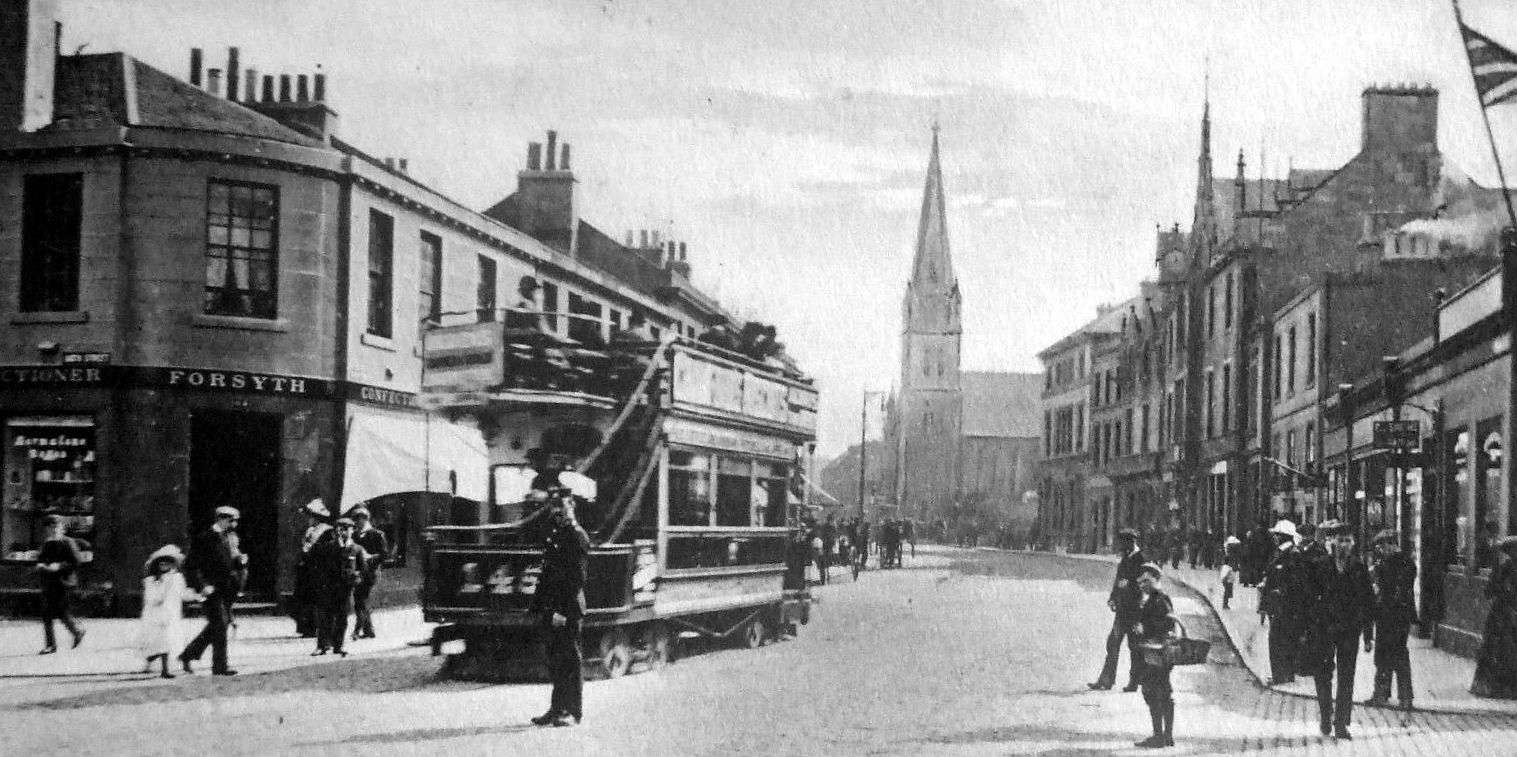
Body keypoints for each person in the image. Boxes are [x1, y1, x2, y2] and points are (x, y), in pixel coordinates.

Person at [1301, 521, 1374, 740]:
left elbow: (1367, 602)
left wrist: (1368, 635)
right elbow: (1308, 599)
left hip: (1349, 630)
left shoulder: (1358, 569)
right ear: (1330, 542)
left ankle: (1341, 723)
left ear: (1352, 544)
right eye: (1339, 540)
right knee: (1323, 674)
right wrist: (1307, 628)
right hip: (1324, 628)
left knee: (1347, 676)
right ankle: (1325, 715)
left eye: (1347, 541)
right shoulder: (1319, 566)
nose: (1344, 545)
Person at [530, 489, 592, 727]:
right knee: (557, 661)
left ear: (572, 506)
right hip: (554, 608)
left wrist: (562, 612)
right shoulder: (558, 534)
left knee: (570, 661)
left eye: (563, 506)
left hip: (568, 609)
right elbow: (550, 574)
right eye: (555, 506)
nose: (558, 510)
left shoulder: (577, 536)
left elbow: (576, 579)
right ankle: (556, 709)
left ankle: (573, 712)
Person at [180, 506, 243, 676]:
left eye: (235, 521)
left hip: (227, 589)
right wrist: (202, 586)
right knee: (221, 624)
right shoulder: (205, 538)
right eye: (231, 521)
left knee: (218, 625)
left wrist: (240, 561)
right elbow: (190, 566)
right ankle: (220, 667)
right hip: (211, 589)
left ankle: (189, 654)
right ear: (220, 519)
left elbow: (230, 560)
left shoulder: (230, 537)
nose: (234, 524)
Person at [1090, 528, 1146, 692]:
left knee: (1135, 648)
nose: (1121, 547)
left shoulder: (1141, 559)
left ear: (1132, 542)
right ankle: (1106, 681)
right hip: (1122, 611)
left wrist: (1130, 585)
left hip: (1135, 611)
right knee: (1112, 644)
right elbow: (1118, 580)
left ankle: (1134, 682)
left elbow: (1145, 584)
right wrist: (1113, 597)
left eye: (1124, 543)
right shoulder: (1126, 559)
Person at [1366, 529, 1415, 710]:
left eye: (1384, 546)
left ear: (1392, 544)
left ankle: (1405, 696)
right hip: (1385, 615)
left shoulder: (1404, 563)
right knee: (1382, 654)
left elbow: (1399, 589)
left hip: (1397, 615)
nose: (1381, 549)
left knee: (1399, 654)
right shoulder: (1385, 563)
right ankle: (1381, 693)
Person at [1131, 563, 1177, 748]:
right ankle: (1167, 736)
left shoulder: (1159, 600)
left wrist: (1145, 628)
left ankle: (1159, 736)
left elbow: (1168, 624)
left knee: (1151, 691)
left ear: (1154, 580)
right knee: (1164, 691)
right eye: (1140, 582)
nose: (1142, 585)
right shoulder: (1155, 599)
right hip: (1158, 652)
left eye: (1146, 581)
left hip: (1157, 653)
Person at [310, 517, 368, 657]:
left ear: (352, 530)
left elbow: (363, 568)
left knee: (342, 618)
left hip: (345, 589)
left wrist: (356, 577)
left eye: (345, 529)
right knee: (326, 618)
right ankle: (322, 646)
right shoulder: (328, 547)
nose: (341, 532)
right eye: (339, 529)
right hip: (329, 587)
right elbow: (317, 563)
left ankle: (338, 645)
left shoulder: (356, 549)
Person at [1471, 536, 1517, 699]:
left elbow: (1489, 591)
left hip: (1502, 613)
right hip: (1508, 612)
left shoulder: (1504, 565)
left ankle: (1496, 687)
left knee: (1497, 650)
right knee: (1507, 651)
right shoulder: (1507, 566)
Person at [139, 545, 192, 678]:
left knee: (175, 641)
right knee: (162, 642)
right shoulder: (151, 580)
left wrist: (198, 595)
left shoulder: (177, 578)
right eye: (161, 563)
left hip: (173, 614)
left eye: (167, 562)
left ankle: (181, 663)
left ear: (172, 564)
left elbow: (183, 594)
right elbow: (150, 598)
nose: (164, 565)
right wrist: (161, 593)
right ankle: (164, 669)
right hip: (156, 615)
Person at [35, 515, 85, 654]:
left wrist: (59, 566)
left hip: (64, 582)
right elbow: (41, 559)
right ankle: (51, 645)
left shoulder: (68, 542)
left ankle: (77, 631)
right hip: (50, 583)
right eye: (50, 528)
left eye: (56, 527)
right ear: (47, 530)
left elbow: (76, 561)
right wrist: (41, 565)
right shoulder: (47, 544)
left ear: (61, 528)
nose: (53, 530)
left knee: (61, 611)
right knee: (47, 614)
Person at [1259, 519, 1302, 684]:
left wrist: (1280, 592)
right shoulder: (1280, 552)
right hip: (1277, 604)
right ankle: (1283, 674)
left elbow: (1294, 581)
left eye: (1277, 535)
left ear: (1284, 536)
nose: (1274, 538)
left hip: (1284, 605)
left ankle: (1281, 675)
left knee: (1278, 640)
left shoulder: (1292, 554)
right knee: (1281, 639)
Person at [294, 500, 332, 637]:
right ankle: (306, 628)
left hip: (318, 569)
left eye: (311, 516)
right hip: (307, 569)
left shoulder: (327, 531)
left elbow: (325, 551)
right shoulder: (310, 530)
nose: (309, 519)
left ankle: (315, 627)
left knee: (316, 599)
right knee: (305, 598)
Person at [349, 508, 389, 640]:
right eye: (356, 519)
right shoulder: (354, 535)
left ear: (366, 519)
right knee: (360, 599)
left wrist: (371, 557)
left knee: (361, 598)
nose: (358, 522)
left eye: (361, 519)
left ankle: (357, 630)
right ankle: (369, 630)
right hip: (358, 572)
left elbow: (384, 554)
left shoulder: (377, 534)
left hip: (371, 572)